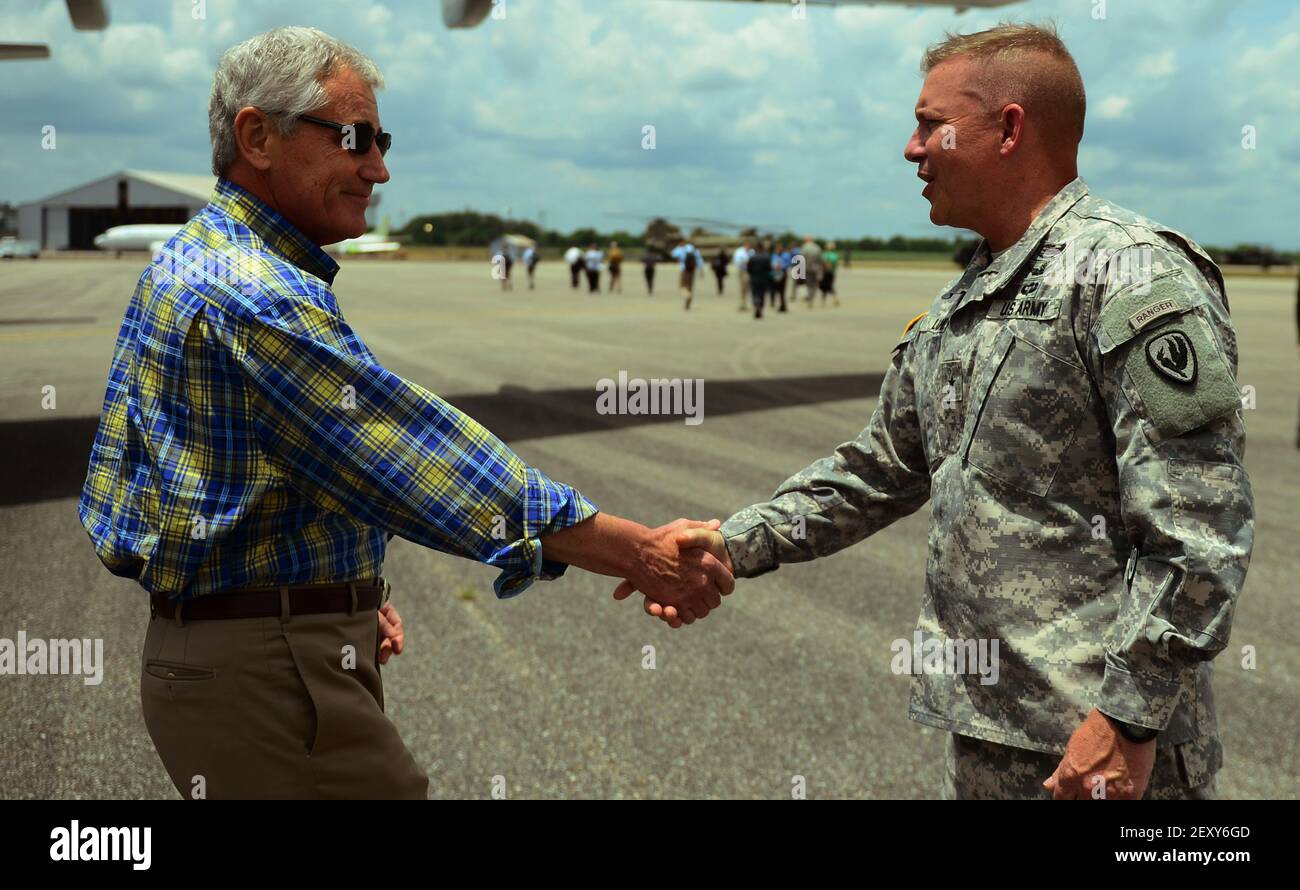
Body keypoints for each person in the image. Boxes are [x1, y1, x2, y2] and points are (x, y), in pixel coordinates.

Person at [79, 26, 732, 801]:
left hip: (257, 654)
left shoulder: (199, 259)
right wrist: (635, 551)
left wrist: (342, 590)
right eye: (355, 140)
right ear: (257, 135)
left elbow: (173, 478)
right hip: (264, 675)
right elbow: (414, 458)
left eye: (381, 141)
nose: (378, 168)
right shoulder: (254, 293)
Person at [627, 22, 1253, 801]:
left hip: (1108, 753)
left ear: (1009, 129)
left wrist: (1127, 721)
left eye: (930, 125)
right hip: (992, 729)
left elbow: (1200, 529)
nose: (911, 149)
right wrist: (729, 541)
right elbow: (880, 467)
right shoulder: (963, 300)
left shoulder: (1128, 273)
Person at [670, 237, 703, 310]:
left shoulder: (681, 248)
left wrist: (679, 247)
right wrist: (701, 270)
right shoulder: (693, 248)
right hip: (693, 270)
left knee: (682, 286)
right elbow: (699, 259)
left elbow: (673, 254)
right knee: (690, 287)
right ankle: (687, 304)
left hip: (684, 270)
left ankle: (688, 296)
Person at [746, 240, 773, 320]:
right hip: (764, 279)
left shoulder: (752, 257)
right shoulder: (767, 257)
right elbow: (769, 269)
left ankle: (756, 303)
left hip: (754, 278)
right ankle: (760, 307)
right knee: (762, 294)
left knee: (754, 293)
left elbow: (749, 269)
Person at [797, 235, 823, 306]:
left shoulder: (804, 247)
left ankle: (809, 297)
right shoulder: (817, 248)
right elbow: (820, 259)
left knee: (808, 284)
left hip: (806, 268)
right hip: (816, 268)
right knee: (815, 284)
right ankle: (812, 298)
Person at [733, 240, 753, 311]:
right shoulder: (739, 252)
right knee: (743, 288)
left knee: (749, 288)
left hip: (750, 271)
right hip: (742, 271)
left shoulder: (752, 252)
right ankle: (743, 303)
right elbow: (737, 261)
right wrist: (745, 261)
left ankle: (748, 303)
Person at [769, 242, 788, 312]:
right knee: (773, 289)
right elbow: (771, 262)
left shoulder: (786, 255)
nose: (778, 249)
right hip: (775, 273)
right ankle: (773, 302)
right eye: (777, 248)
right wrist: (774, 266)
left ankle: (783, 305)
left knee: (782, 291)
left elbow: (788, 264)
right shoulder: (774, 255)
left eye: (780, 248)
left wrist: (781, 266)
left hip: (783, 273)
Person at [820, 241, 841, 306]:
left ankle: (824, 301)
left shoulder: (825, 255)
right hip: (832, 272)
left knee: (824, 286)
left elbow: (825, 263)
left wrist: (825, 268)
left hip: (826, 272)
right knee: (829, 286)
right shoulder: (835, 255)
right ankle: (834, 299)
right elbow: (837, 264)